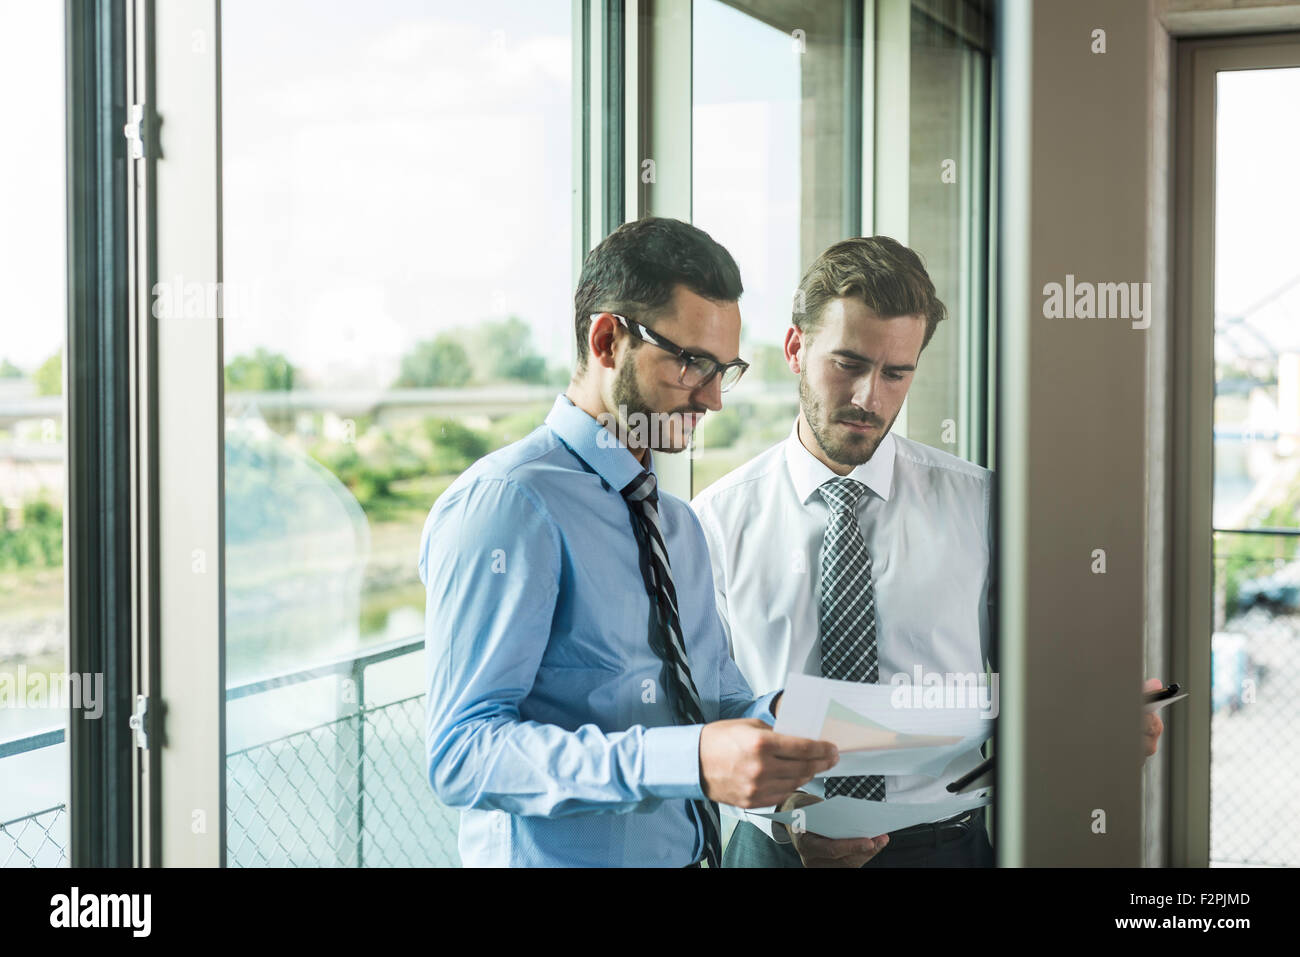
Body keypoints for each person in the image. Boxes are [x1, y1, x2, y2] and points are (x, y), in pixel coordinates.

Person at [691, 236, 1165, 868]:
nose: (869, 398)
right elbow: (701, 716)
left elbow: (1042, 678)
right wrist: (786, 820)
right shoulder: (715, 522)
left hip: (948, 848)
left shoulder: (984, 505)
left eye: (895, 373)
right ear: (796, 349)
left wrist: (1095, 724)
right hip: (776, 849)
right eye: (848, 364)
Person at [419, 216, 838, 867]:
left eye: (723, 368)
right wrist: (686, 761)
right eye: (692, 362)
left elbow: (715, 704)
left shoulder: (679, 525)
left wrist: (791, 716)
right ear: (608, 338)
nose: (713, 399)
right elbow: (463, 756)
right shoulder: (509, 504)